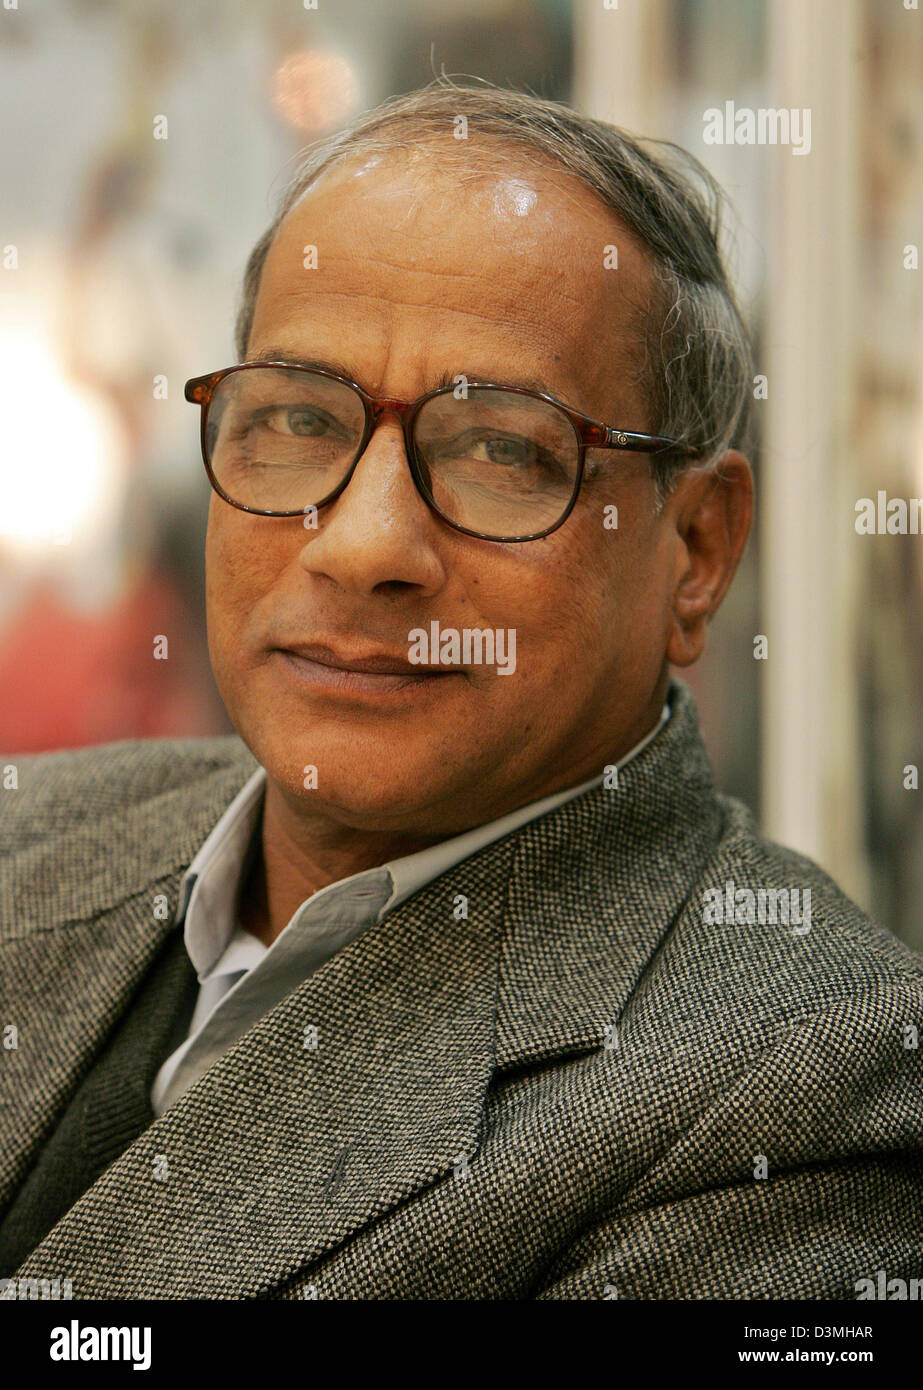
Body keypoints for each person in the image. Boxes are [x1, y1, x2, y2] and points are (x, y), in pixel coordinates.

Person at [2, 81, 921, 1301]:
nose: (361, 544)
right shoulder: (32, 834)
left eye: (502, 449)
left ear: (695, 548)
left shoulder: (801, 1078)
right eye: (295, 418)